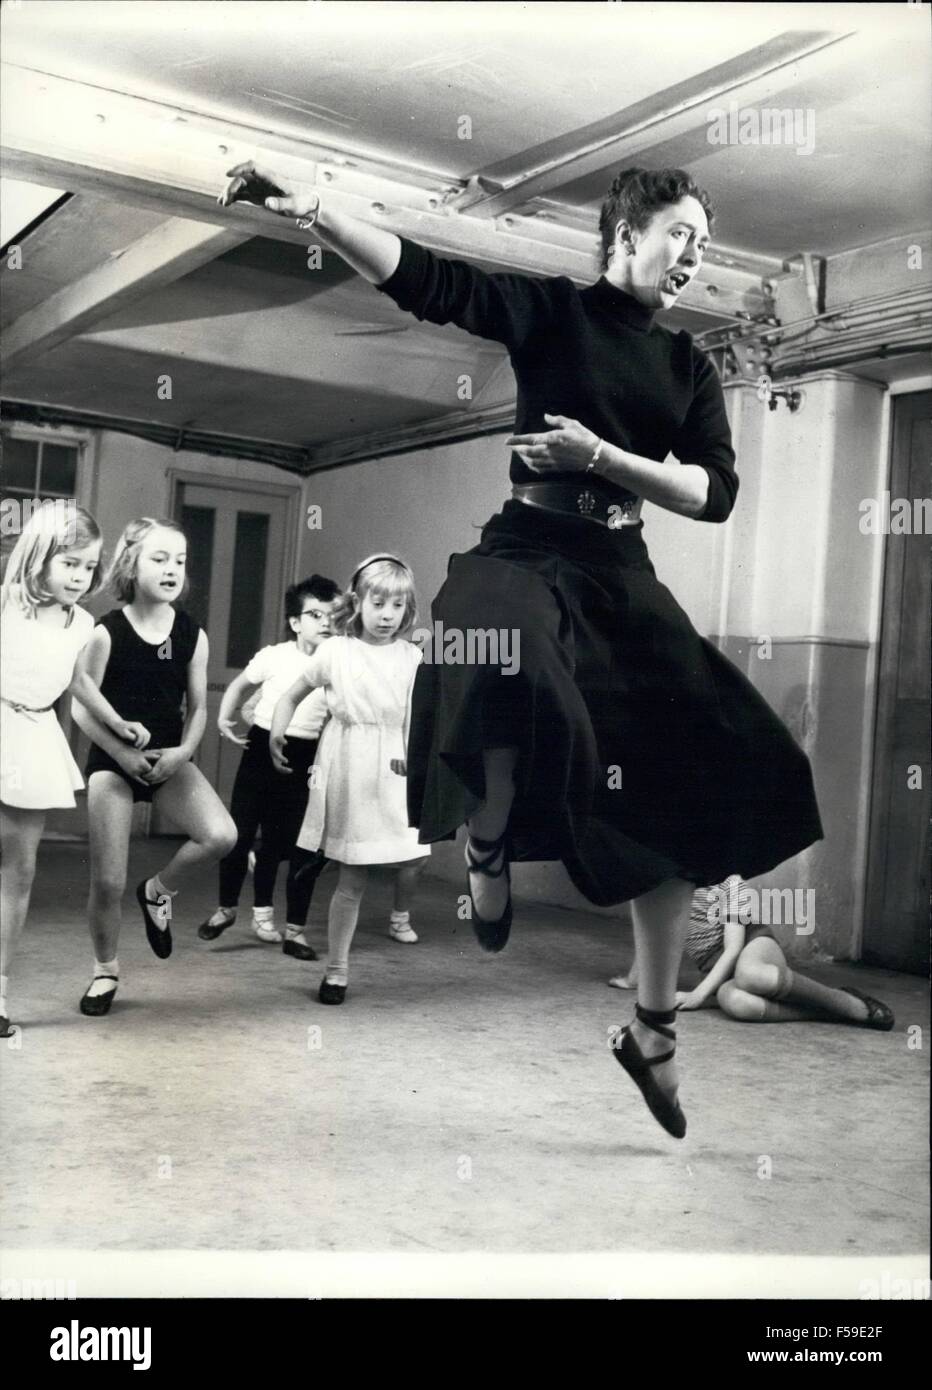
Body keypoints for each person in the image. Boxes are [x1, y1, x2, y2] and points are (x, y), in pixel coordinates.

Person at [219, 163, 823, 1134]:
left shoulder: (686, 365)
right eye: (682, 235)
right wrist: (324, 211)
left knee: (708, 774)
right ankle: (487, 838)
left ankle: (654, 1034)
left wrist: (603, 458)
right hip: (525, 549)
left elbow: (713, 493)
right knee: (499, 648)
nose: (693, 258)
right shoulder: (553, 312)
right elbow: (428, 279)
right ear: (625, 232)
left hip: (618, 575)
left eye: (704, 246)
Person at [70, 517, 237, 1016]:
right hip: (114, 760)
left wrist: (184, 752)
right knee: (106, 880)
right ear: (131, 563)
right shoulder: (106, 632)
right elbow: (81, 706)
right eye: (159, 559)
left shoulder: (192, 634)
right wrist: (121, 754)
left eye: (180, 561)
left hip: (167, 757)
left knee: (221, 836)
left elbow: (199, 705)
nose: (172, 569)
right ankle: (105, 972)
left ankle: (158, 891)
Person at [0, 502, 149, 1035]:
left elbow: (78, 682)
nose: (80, 577)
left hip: (34, 738)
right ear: (39, 555)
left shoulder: (82, 621)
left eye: (88, 567)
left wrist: (118, 720)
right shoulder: (5, 603)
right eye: (69, 564)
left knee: (18, 873)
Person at [269, 556, 429, 1004]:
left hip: (393, 764)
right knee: (353, 874)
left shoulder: (411, 656)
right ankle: (337, 970)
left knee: (413, 857)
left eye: (397, 606)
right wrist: (277, 731)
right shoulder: (336, 651)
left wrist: (413, 761)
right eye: (378, 603)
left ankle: (400, 917)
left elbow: (418, 719)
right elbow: (292, 694)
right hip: (349, 763)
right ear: (357, 603)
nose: (387, 615)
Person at [197, 574, 340, 958]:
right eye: (314, 615)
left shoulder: (338, 662)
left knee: (285, 843)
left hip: (305, 754)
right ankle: (226, 908)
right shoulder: (275, 656)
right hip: (261, 749)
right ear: (295, 623)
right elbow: (239, 686)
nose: (325, 622)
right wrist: (224, 718)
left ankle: (286, 928)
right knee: (238, 834)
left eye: (331, 615)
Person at [609, 875, 894, 1029]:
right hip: (715, 970)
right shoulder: (668, 886)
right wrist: (636, 979)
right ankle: (828, 1013)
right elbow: (654, 932)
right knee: (739, 1005)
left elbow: (733, 949)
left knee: (751, 976)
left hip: (753, 946)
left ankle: (846, 1002)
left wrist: (698, 995)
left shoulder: (730, 881)